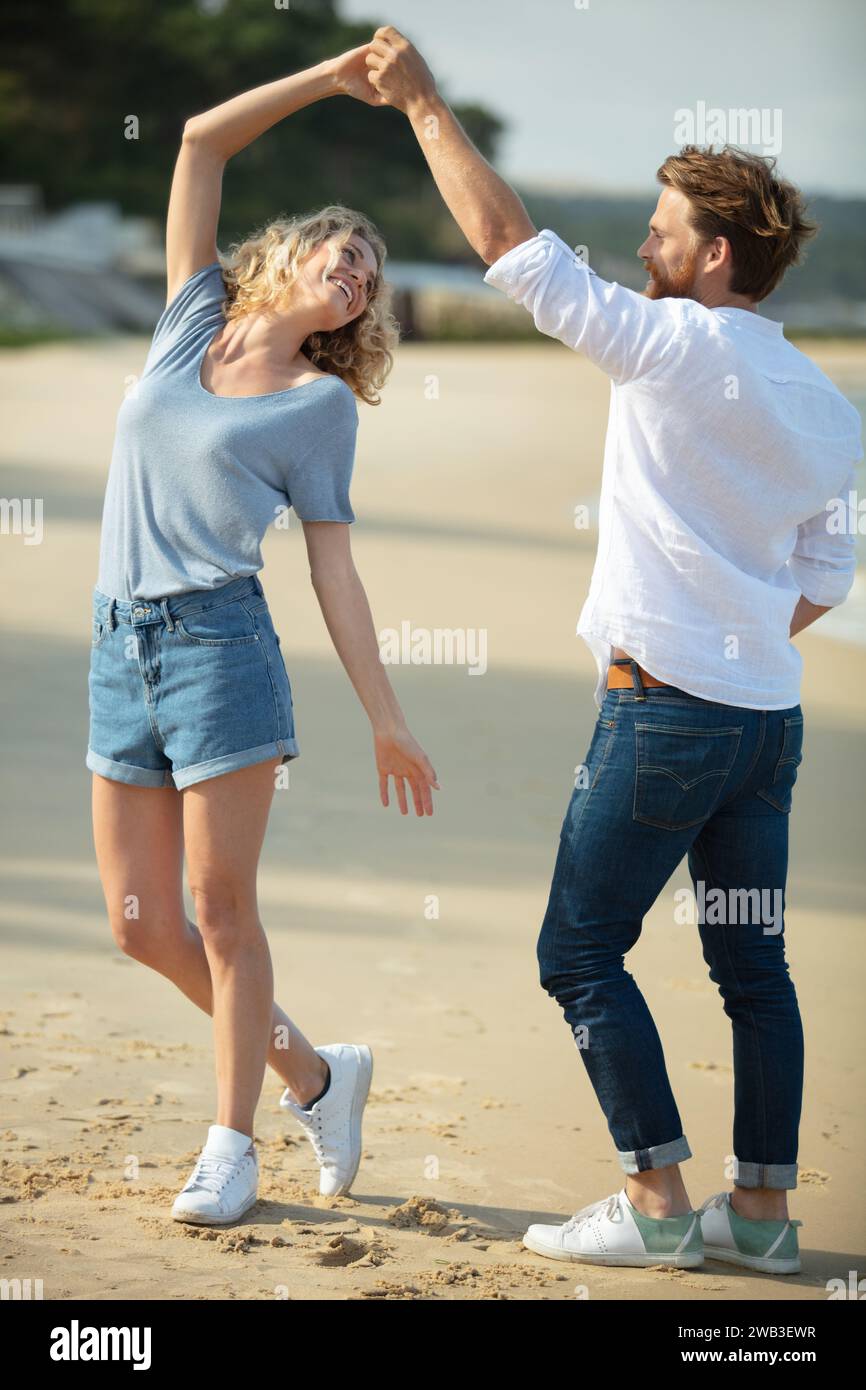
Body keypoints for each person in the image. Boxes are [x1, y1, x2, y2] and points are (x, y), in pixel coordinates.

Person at [361, 25, 861, 1272]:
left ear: (713, 255)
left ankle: (652, 1204)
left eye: (658, 231)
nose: (642, 246)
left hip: (662, 719)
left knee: (576, 952)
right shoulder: (824, 400)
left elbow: (511, 255)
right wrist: (733, 631)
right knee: (754, 968)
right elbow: (824, 576)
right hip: (763, 727)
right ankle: (758, 1221)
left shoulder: (672, 344)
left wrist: (421, 101)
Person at [86, 46, 439, 1227]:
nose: (357, 271)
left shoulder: (317, 405)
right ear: (291, 252)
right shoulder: (192, 320)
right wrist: (328, 77)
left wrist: (385, 716)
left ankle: (229, 1148)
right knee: (140, 924)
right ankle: (318, 1078)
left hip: (220, 654)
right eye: (346, 249)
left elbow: (331, 568)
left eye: (372, 276)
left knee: (223, 913)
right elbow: (197, 141)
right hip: (117, 643)